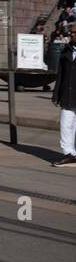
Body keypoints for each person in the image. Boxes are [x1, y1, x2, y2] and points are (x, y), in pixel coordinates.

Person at [50, 33, 76, 167]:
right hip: (67, 94)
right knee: (65, 125)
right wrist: (56, 94)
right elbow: (60, 75)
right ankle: (69, 154)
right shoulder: (66, 51)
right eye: (71, 33)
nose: (72, 35)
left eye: (74, 33)